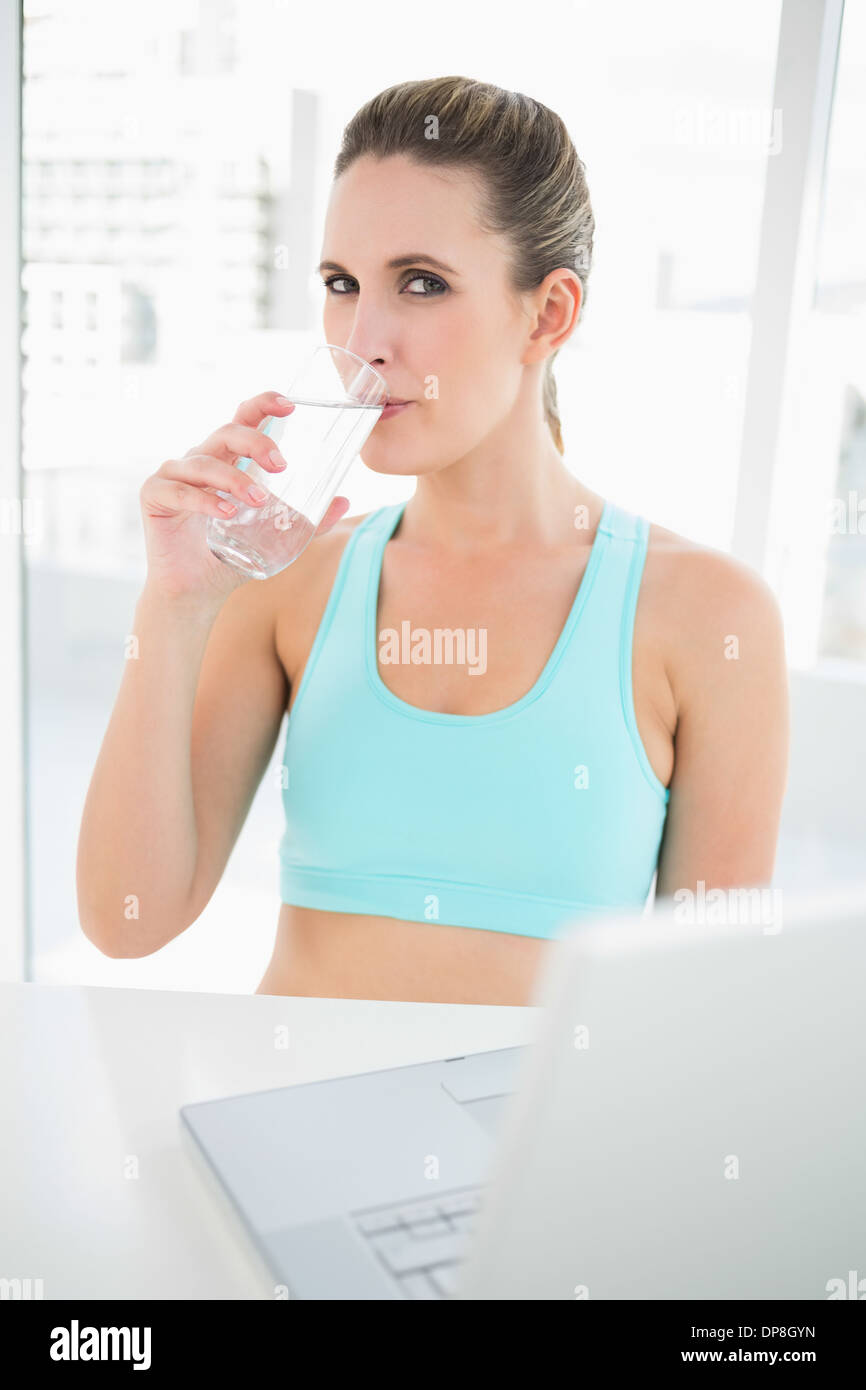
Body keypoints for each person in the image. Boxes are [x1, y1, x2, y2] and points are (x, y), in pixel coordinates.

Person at [77, 76, 788, 1005]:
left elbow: (712, 1008)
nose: (364, 338)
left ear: (550, 313)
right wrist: (175, 607)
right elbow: (129, 921)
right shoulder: (286, 580)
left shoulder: (707, 614)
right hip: (283, 1127)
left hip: (549, 1151)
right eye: (341, 285)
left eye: (422, 283)